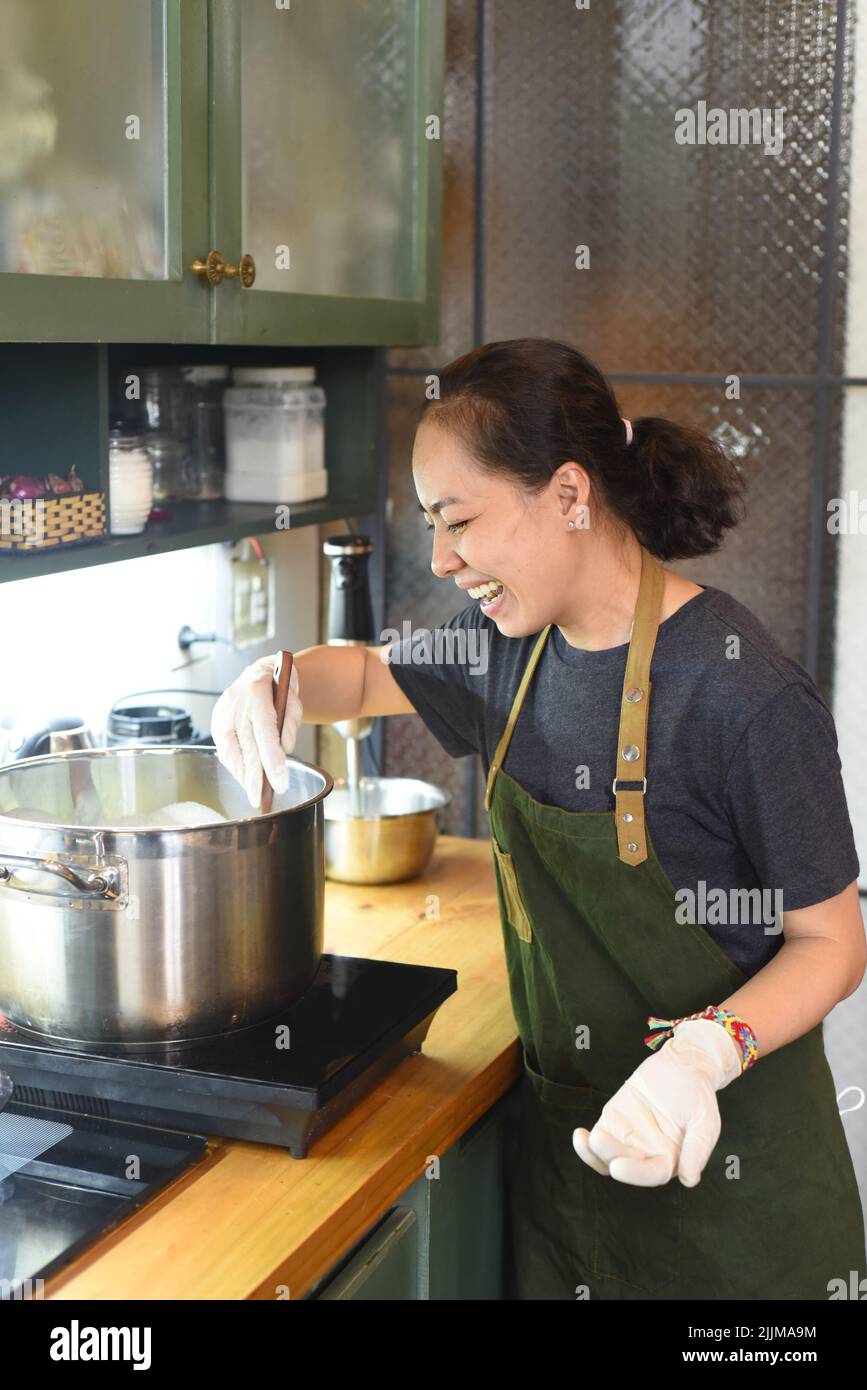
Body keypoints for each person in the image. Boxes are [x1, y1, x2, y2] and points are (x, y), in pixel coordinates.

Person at [212, 337, 866, 1301]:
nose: (441, 557)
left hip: (738, 1198)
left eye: (459, 520)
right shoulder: (505, 650)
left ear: (568, 493)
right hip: (569, 1181)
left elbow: (833, 940)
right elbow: (364, 671)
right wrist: (275, 681)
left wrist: (698, 1056)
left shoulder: (742, 693)